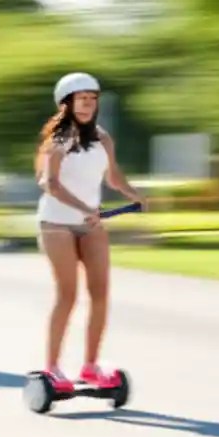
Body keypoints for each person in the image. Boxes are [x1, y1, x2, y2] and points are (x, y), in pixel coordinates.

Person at [35, 72, 148, 391]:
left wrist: (134, 194)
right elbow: (50, 184)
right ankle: (53, 367)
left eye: (92, 99)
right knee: (67, 295)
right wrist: (86, 209)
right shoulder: (59, 141)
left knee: (100, 294)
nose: (87, 104)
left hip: (91, 225)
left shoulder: (102, 138)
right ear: (66, 104)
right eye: (81, 99)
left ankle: (90, 366)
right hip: (57, 223)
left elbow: (113, 177)